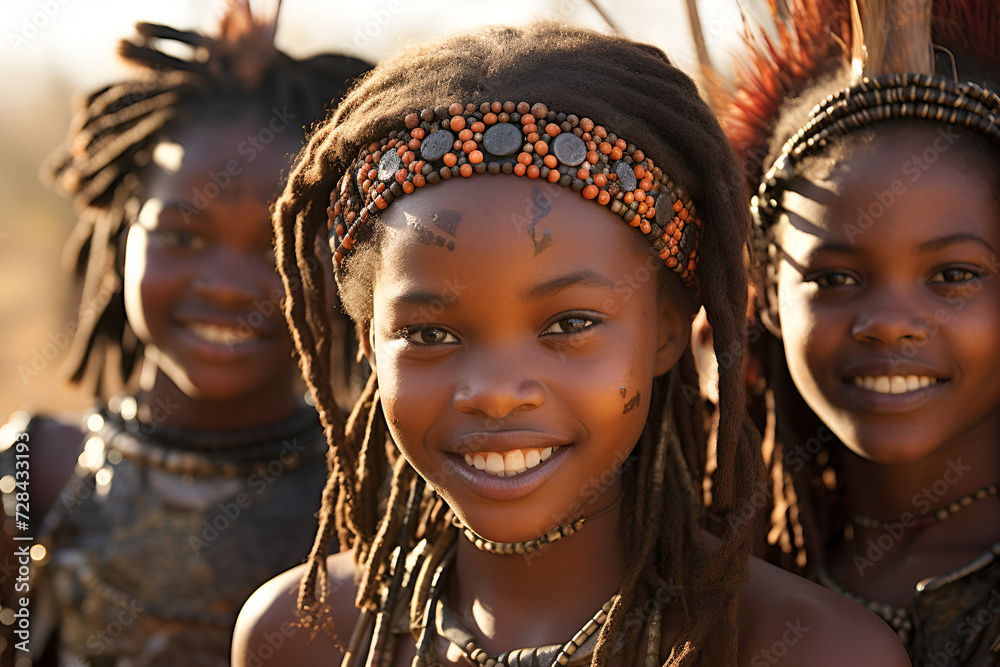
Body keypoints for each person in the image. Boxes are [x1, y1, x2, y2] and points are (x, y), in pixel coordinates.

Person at [232, 22, 908, 666]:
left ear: (668, 328)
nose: (496, 390)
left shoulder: (808, 649)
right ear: (369, 344)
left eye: (569, 324)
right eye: (430, 333)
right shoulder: (301, 635)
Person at [0, 3, 370, 664]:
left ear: (339, 264)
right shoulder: (36, 473)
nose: (226, 283)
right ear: (121, 238)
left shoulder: (373, 491)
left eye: (278, 246)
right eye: (181, 235)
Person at [723, 0, 1000, 662]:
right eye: (837, 279)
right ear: (764, 295)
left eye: (954, 274)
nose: (888, 324)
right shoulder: (720, 587)